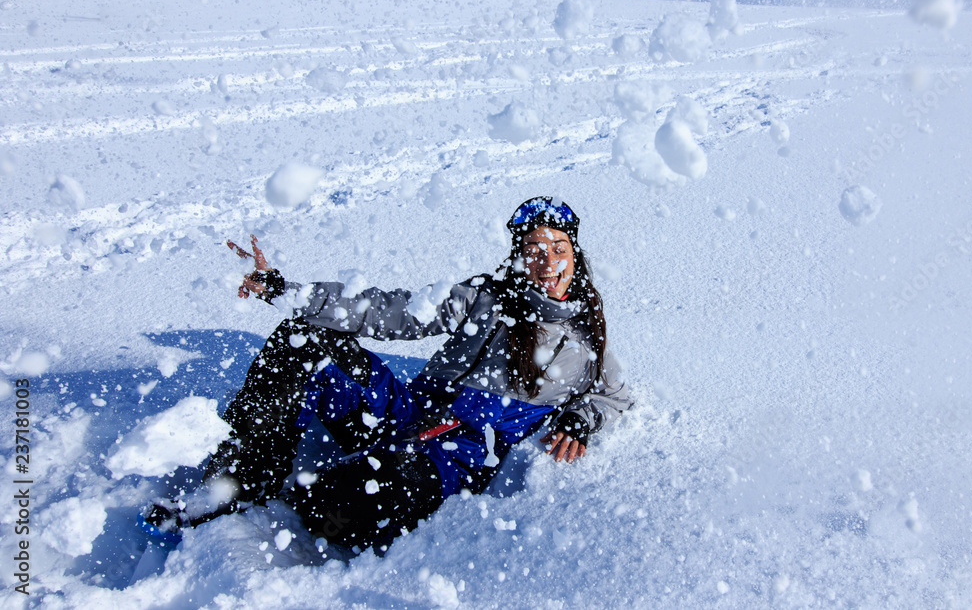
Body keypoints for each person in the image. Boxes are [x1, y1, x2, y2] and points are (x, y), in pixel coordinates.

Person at [142, 197, 630, 554]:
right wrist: (287, 291)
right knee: (302, 338)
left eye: (558, 248)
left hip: (454, 458)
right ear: (518, 256)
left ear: (575, 254)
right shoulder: (484, 297)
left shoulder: (588, 339)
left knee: (338, 507)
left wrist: (582, 419)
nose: (547, 262)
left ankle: (304, 516)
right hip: (404, 412)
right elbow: (391, 312)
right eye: (534, 249)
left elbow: (615, 398)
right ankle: (236, 483)